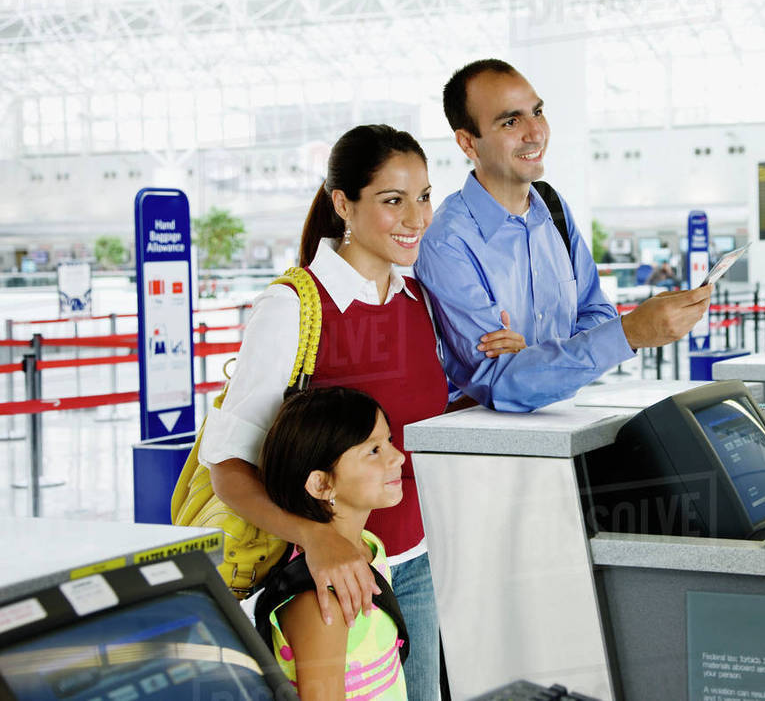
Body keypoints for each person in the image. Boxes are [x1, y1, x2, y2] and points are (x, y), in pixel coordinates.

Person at [199, 124, 524, 701]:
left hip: (419, 558)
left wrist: (501, 365)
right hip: (330, 573)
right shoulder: (292, 308)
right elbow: (226, 467)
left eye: (423, 196)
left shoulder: (420, 300)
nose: (416, 218)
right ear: (342, 204)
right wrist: (316, 540)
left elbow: (425, 417)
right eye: (392, 200)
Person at [415, 59, 712, 411]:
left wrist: (536, 362)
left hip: (565, 422)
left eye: (537, 112)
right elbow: (499, 383)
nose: (536, 133)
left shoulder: (552, 210)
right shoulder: (446, 240)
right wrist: (627, 333)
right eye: (511, 121)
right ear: (468, 144)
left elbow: (597, 310)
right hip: (491, 448)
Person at [258, 386, 409, 701]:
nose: (398, 456)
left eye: (389, 441)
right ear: (321, 483)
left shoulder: (366, 546)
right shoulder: (320, 602)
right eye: (373, 450)